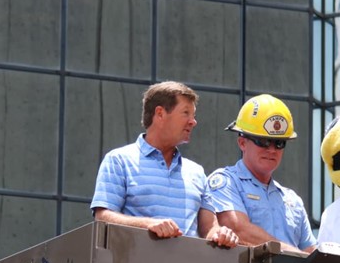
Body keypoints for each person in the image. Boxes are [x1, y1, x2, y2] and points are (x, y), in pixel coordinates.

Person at [91, 81, 237, 247]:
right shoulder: (119, 160)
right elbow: (102, 217)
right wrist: (147, 224)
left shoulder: (197, 172)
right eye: (186, 113)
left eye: (193, 115)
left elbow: (209, 228)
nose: (193, 121)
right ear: (160, 113)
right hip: (134, 262)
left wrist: (221, 234)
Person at [203, 94, 316, 253]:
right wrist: (293, 255)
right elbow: (238, 229)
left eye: (279, 143)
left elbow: (310, 253)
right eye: (263, 141)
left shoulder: (293, 200)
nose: (272, 150)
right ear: (242, 143)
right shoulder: (226, 181)